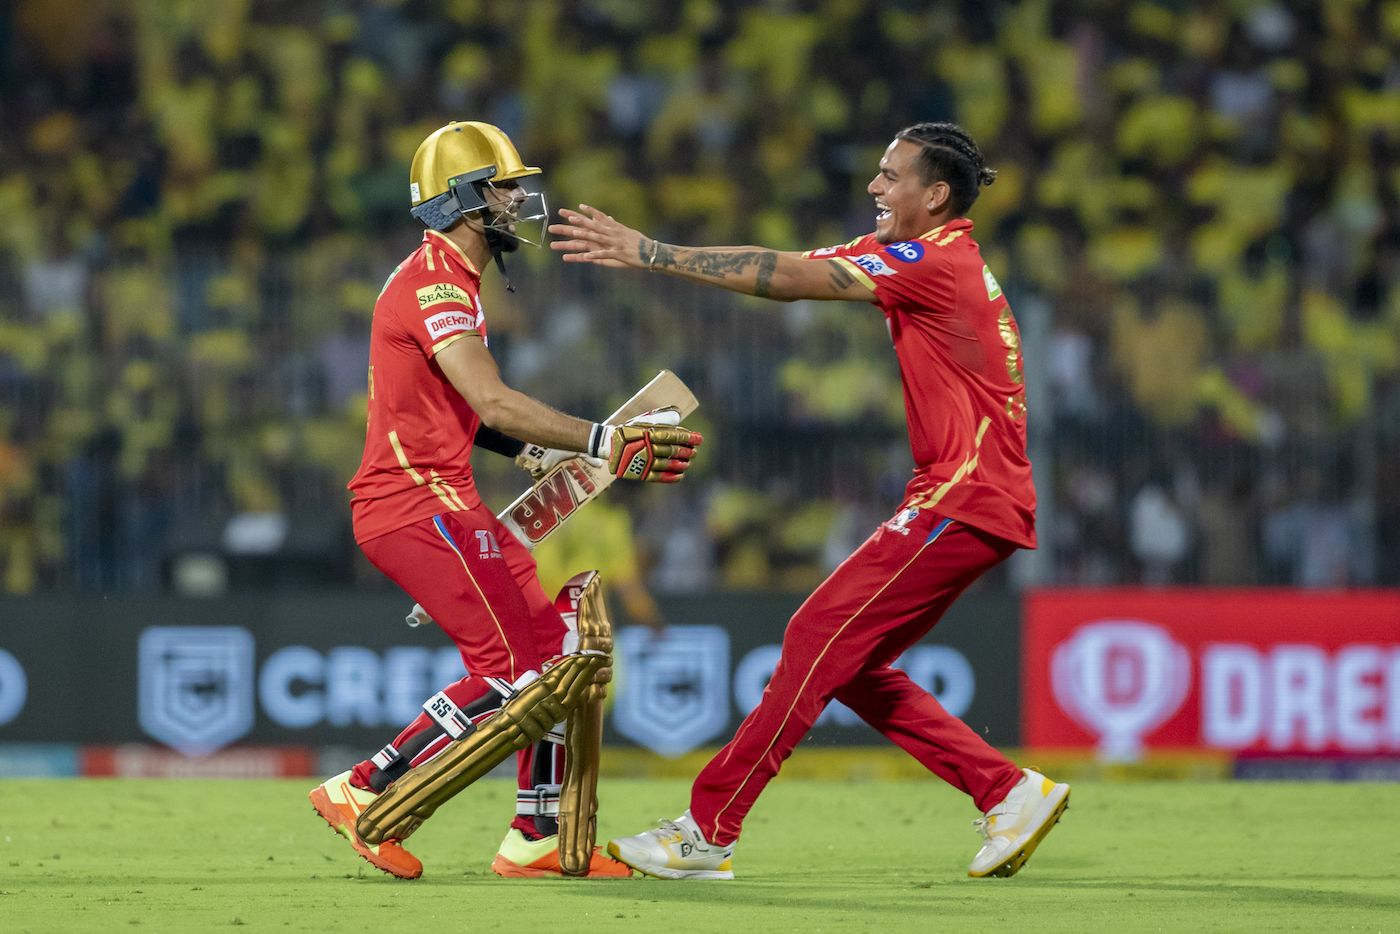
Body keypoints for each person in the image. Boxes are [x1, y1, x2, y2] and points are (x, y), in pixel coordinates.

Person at [550, 121, 1069, 880]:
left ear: (936, 195)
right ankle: (1006, 790)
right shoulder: (913, 257)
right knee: (846, 663)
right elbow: (785, 268)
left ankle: (707, 829)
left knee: (813, 632)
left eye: (891, 176)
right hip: (971, 499)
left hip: (963, 497)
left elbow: (785, 278)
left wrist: (648, 252)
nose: (874, 187)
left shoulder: (931, 261)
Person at [307, 120, 702, 880]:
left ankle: (536, 835)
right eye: (502, 186)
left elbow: (456, 409)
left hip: (440, 501)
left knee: (552, 659)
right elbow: (489, 400)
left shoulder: (446, 278)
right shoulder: (433, 284)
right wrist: (601, 442)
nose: (518, 199)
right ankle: (364, 787)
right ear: (460, 200)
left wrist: (527, 450)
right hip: (416, 505)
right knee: (511, 675)